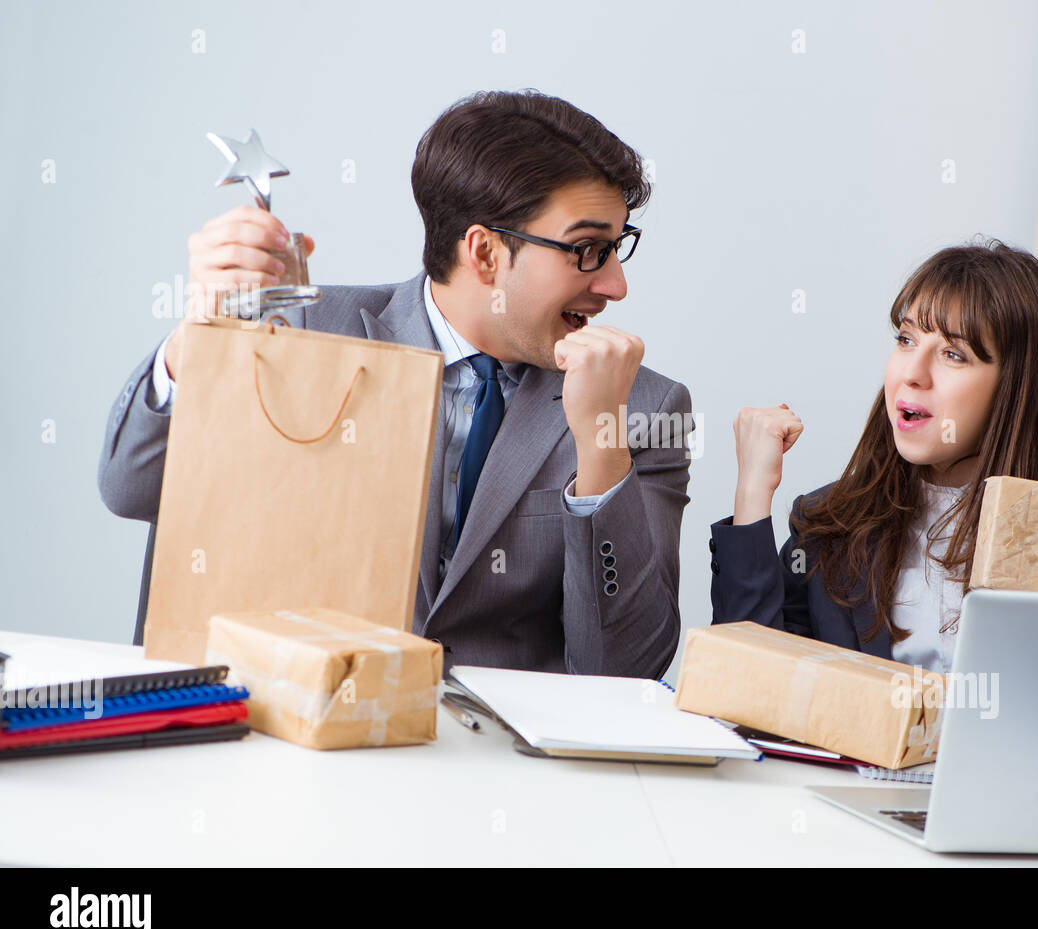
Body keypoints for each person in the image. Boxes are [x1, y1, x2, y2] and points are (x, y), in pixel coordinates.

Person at [98, 90, 692, 679]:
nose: (616, 286)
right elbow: (132, 489)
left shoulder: (642, 408)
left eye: (617, 249)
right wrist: (196, 339)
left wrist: (601, 448)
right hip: (305, 730)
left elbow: (627, 670)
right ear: (484, 253)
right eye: (587, 250)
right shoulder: (306, 334)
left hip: (499, 767)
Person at [709, 239, 1038, 671]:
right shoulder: (828, 521)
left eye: (954, 354)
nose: (912, 373)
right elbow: (751, 679)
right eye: (906, 339)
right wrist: (753, 492)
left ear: (1019, 387)